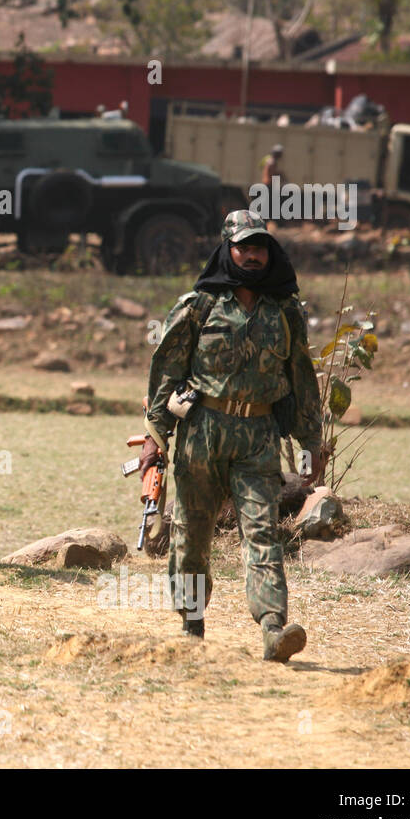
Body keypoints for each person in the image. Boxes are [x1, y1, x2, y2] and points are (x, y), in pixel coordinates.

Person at [139, 210, 325, 662]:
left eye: (260, 247)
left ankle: (273, 629)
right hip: (201, 433)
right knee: (191, 537)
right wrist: (153, 438)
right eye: (244, 247)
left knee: (263, 533)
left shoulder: (285, 311)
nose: (253, 255)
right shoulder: (196, 307)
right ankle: (192, 626)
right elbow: (166, 375)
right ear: (227, 249)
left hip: (259, 437)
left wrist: (311, 442)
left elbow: (301, 377)